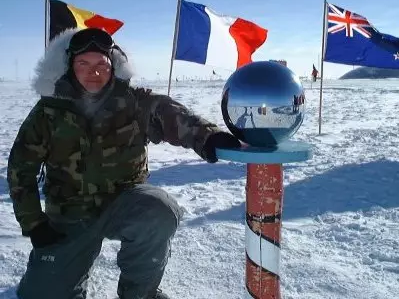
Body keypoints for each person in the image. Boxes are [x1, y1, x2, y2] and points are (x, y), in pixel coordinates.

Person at [7, 27, 241, 299]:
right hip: (69, 210)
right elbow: (20, 169)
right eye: (83, 64)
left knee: (158, 210)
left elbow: (170, 114)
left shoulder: (133, 102)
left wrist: (208, 137)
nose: (93, 72)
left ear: (113, 65)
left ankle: (140, 293)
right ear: (69, 66)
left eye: (101, 64)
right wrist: (34, 223)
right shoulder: (48, 112)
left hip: (125, 201)